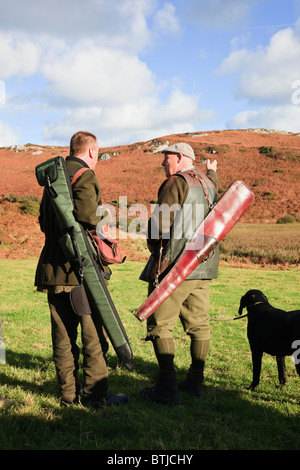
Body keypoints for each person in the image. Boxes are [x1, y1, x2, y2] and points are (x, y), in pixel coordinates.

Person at [35, 131, 128, 408]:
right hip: (80, 269)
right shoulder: (83, 175)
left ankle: (67, 395)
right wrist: (107, 219)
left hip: (52, 268)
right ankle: (95, 395)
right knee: (93, 334)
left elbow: (43, 220)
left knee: (62, 335)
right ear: (91, 151)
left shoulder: (54, 177)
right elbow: (88, 215)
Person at [139, 142, 219, 405]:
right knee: (199, 324)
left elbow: (160, 225)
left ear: (181, 158)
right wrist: (213, 173)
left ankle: (167, 389)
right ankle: (195, 383)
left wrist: (153, 248)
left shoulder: (176, 182)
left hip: (176, 265)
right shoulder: (207, 183)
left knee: (159, 324)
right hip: (203, 264)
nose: (163, 163)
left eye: (167, 158)